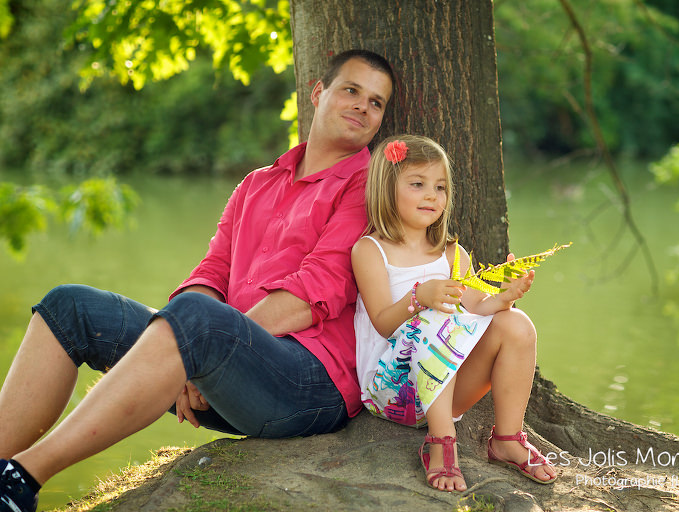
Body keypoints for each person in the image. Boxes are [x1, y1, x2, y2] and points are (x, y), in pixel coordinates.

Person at [0, 49, 394, 512]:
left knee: (198, 319)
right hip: (221, 361)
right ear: (317, 92)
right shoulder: (256, 184)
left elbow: (311, 295)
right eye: (352, 90)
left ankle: (21, 480)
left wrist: (202, 347)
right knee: (70, 308)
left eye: (376, 103)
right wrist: (198, 349)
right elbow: (209, 274)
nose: (362, 107)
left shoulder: (368, 187)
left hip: (307, 384)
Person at [352, 134, 558, 492]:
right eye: (418, 184)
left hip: (445, 390)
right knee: (432, 318)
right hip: (392, 391)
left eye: (440, 187)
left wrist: (504, 297)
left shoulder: (453, 254)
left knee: (516, 325)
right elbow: (384, 323)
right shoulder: (370, 251)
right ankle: (441, 442)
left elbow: (476, 308)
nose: (432, 195)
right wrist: (419, 297)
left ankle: (507, 439)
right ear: (387, 189)